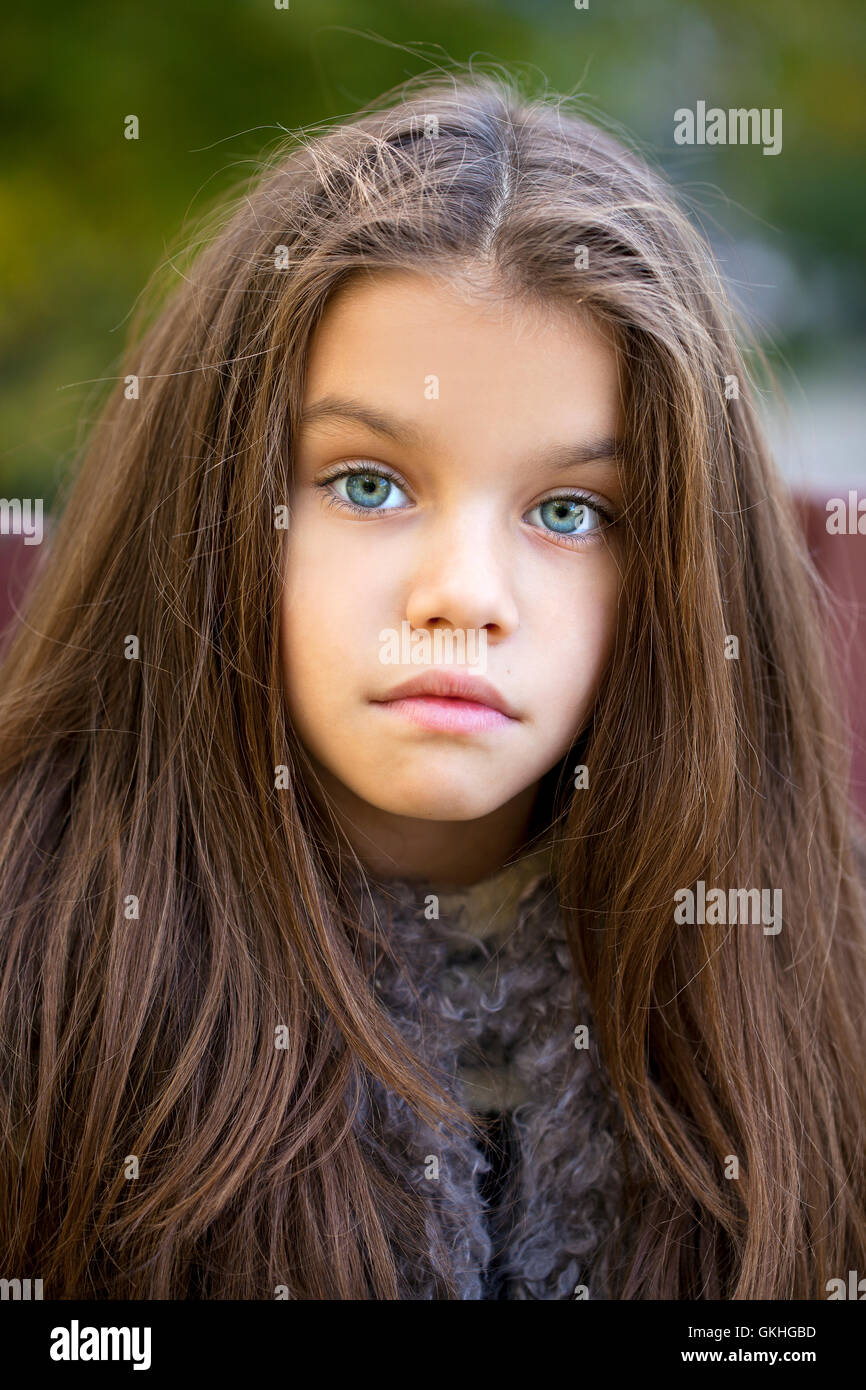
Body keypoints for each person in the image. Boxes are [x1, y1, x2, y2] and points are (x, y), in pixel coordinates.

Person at [1, 67, 864, 1300]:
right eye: (367, 483)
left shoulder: (821, 986)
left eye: (569, 511)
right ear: (206, 510)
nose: (463, 593)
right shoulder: (36, 973)